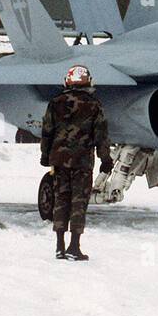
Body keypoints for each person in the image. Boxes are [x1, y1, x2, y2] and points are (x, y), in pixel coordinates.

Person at [40, 65, 112, 261]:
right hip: (82, 162)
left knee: (61, 200)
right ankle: (74, 247)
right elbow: (101, 136)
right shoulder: (94, 105)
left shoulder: (55, 103)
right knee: (78, 203)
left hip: (59, 160)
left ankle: (59, 246)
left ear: (67, 81)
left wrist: (45, 156)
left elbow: (47, 132)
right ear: (88, 81)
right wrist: (105, 159)